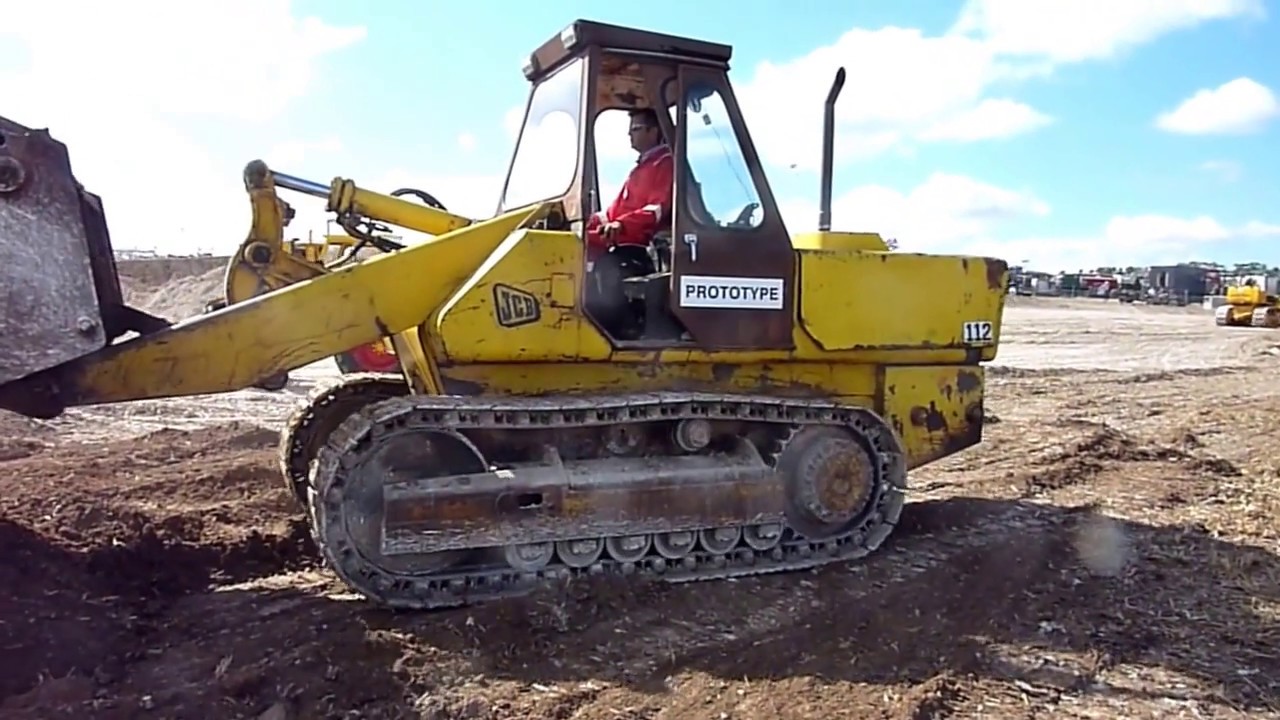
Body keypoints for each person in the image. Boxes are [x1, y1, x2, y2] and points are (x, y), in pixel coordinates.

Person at [585, 108, 673, 260]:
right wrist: (588, 221)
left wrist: (621, 224)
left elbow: (656, 209)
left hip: (635, 244)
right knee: (571, 239)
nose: (629, 134)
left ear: (653, 131)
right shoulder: (641, 168)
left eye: (636, 129)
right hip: (617, 236)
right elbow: (613, 211)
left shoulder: (665, 163)